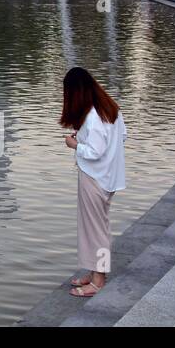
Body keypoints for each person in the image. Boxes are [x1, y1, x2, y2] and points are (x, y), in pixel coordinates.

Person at [60, 67, 127, 297]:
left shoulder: (93, 116)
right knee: (99, 226)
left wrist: (75, 144)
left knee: (95, 230)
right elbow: (121, 138)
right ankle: (95, 270)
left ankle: (98, 280)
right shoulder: (111, 109)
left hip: (94, 178)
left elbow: (95, 151)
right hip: (109, 177)